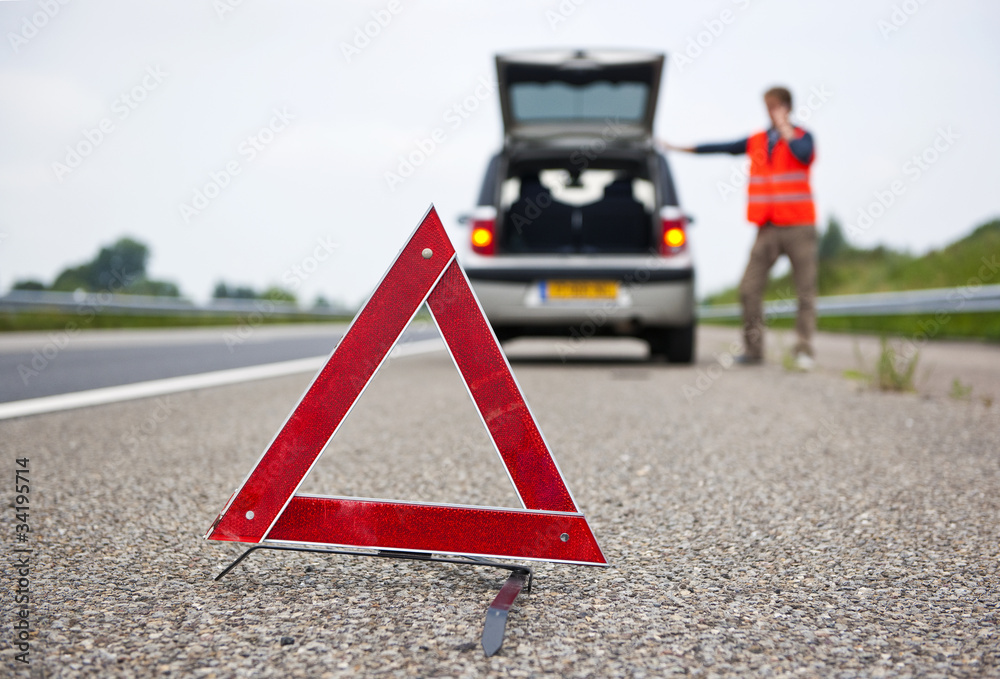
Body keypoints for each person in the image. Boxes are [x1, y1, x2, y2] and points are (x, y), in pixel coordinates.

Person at [660, 86, 817, 370]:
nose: (770, 111)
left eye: (775, 106)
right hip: (767, 228)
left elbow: (803, 155)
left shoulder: (803, 137)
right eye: (768, 106)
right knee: (748, 289)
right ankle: (754, 350)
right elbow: (721, 147)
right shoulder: (758, 140)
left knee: (805, 290)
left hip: (799, 226)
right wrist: (675, 147)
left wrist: (786, 128)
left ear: (787, 107)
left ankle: (803, 350)